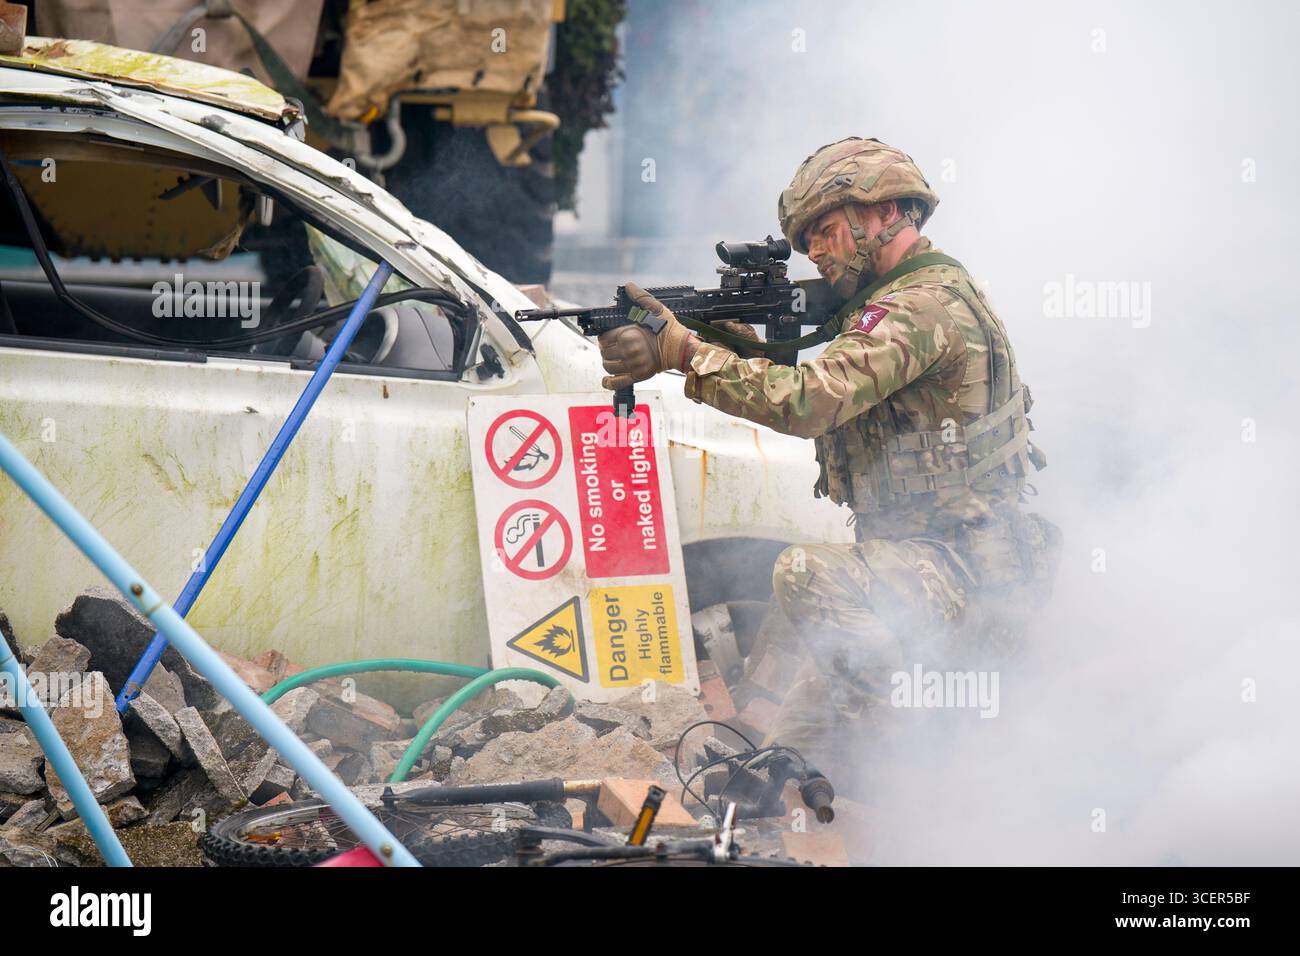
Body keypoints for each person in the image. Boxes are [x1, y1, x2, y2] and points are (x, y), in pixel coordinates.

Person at [597, 138, 1060, 779]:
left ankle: (910, 768)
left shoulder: (919, 307)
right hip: (927, 560)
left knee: (806, 575)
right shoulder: (894, 301)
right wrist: (716, 335)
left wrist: (685, 354)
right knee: (782, 762)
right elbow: (816, 375)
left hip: (963, 569)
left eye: (827, 231)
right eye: (808, 237)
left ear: (886, 213)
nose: (814, 252)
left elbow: (812, 400)